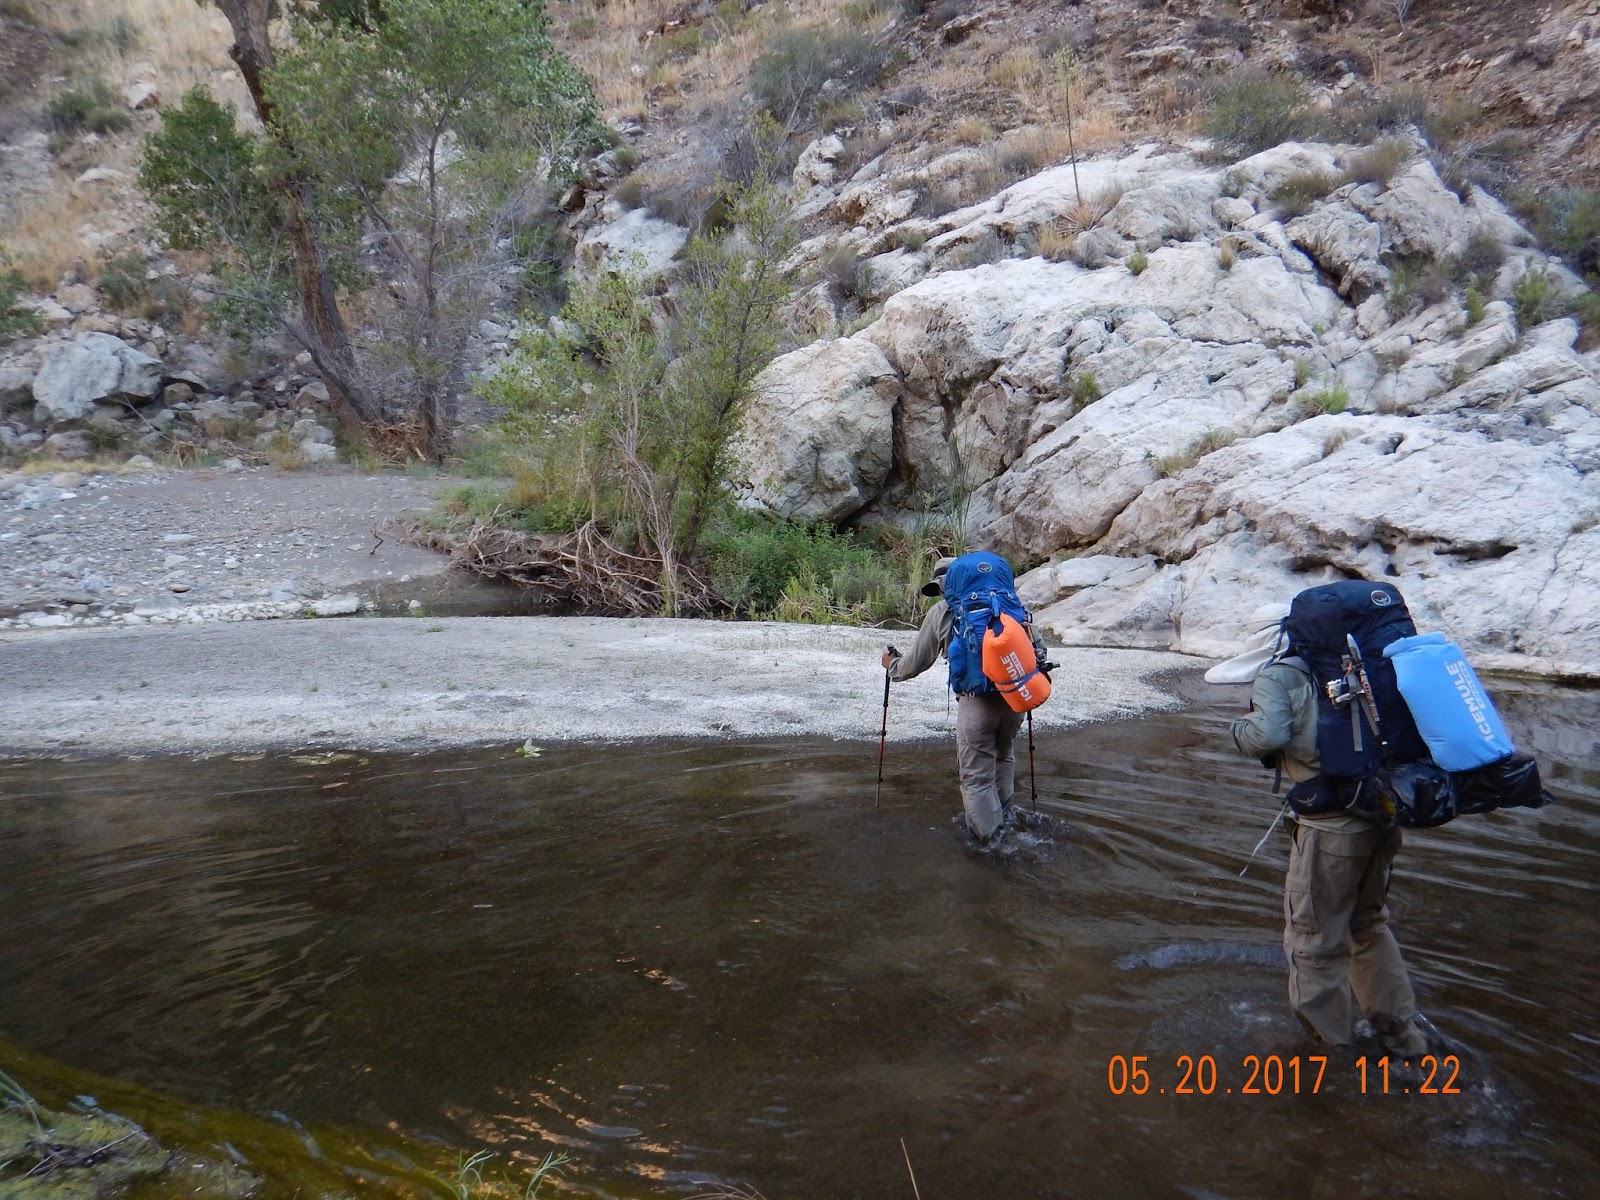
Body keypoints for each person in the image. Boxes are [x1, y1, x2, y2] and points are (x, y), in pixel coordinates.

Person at [1215, 604, 1433, 1057]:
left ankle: (1325, 1052)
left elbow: (1266, 737)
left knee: (1314, 939)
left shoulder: (1282, 674)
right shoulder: (1365, 663)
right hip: (1382, 814)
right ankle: (1405, 1039)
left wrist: (1238, 727)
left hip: (1330, 830)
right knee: (1368, 925)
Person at [880, 554, 1039, 844]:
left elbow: (916, 662)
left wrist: (891, 666)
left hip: (975, 702)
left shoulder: (943, 611)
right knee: (1003, 757)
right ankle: (1005, 823)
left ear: (947, 583)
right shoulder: (1010, 605)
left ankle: (989, 845)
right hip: (1015, 700)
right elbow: (1036, 650)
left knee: (977, 777)